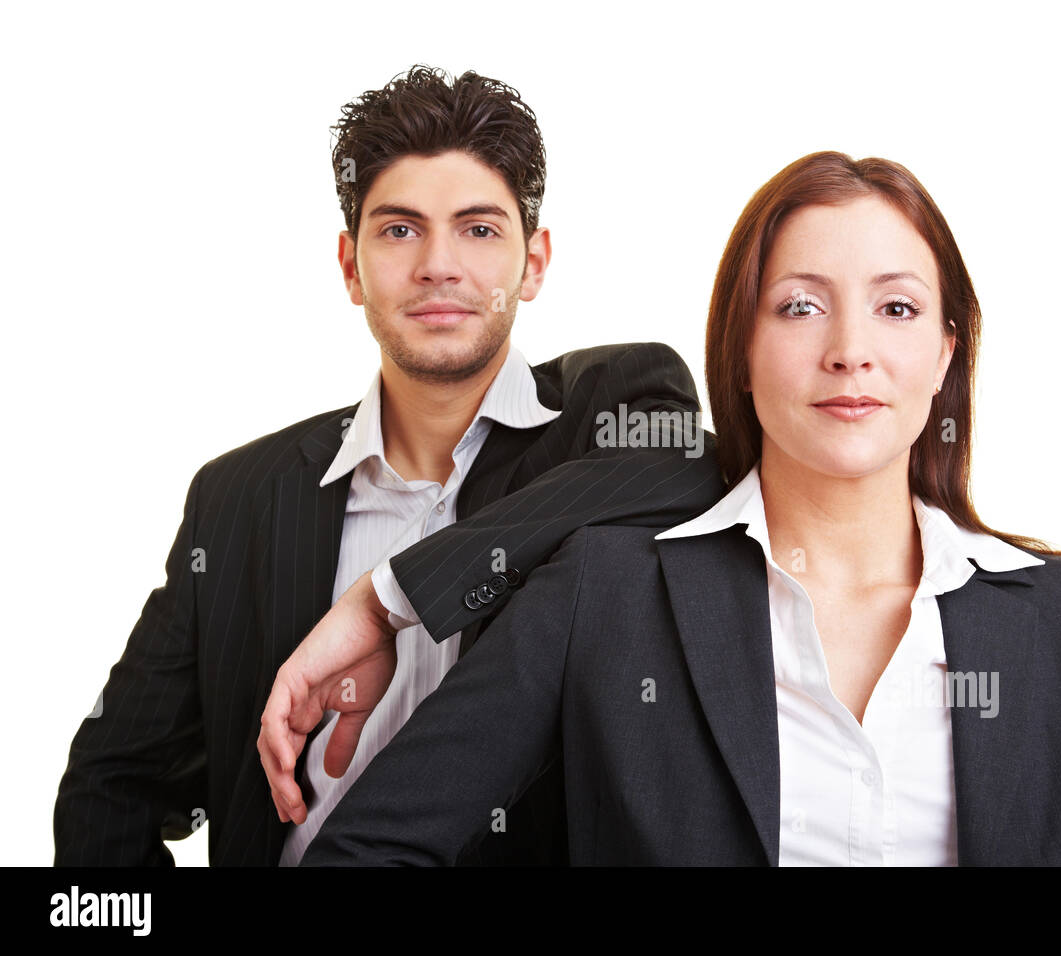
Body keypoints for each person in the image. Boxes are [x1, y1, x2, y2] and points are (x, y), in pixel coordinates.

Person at [296, 151, 1061, 866]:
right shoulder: (605, 597)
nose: (850, 351)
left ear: (948, 353)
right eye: (799, 307)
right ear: (740, 349)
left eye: (897, 309)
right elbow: (370, 851)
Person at [53, 65, 722, 867]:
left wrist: (382, 603)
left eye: (479, 229)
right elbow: (111, 783)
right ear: (350, 266)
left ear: (534, 263)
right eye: (400, 229)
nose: (439, 265)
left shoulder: (607, 409)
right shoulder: (238, 499)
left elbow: (679, 462)